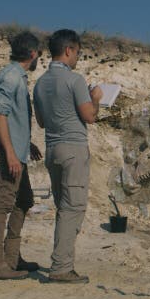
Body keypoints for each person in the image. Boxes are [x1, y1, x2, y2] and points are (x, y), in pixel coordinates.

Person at [33, 29, 102, 284]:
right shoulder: (74, 81)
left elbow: (40, 122)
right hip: (73, 149)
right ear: (69, 50)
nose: (77, 59)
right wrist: (95, 98)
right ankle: (61, 267)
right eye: (77, 53)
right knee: (72, 208)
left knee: (64, 207)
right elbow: (89, 117)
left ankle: (62, 263)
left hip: (52, 149)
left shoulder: (40, 83)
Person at [0, 31, 44, 282]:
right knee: (2, 205)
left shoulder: (15, 76)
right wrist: (9, 152)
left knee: (25, 199)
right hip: (12, 153)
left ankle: (11, 257)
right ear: (32, 54)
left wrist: (25, 143)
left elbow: (11, 117)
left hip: (18, 149)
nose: (39, 58)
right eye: (39, 54)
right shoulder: (11, 77)